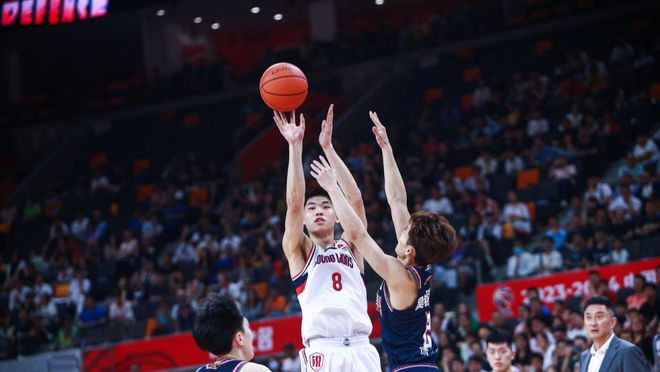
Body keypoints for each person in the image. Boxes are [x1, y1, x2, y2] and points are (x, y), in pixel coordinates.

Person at [309, 111, 458, 371]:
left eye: (404, 232)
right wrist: (386, 149)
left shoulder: (400, 275)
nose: (400, 229)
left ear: (409, 249)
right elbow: (397, 200)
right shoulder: (418, 261)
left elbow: (357, 234)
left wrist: (332, 188)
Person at [273, 106, 380, 371]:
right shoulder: (299, 249)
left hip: (361, 347)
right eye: (313, 208)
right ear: (305, 221)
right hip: (323, 351)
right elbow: (294, 204)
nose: (318, 210)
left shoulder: (352, 243)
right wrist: (295, 146)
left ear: (337, 216)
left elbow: (355, 200)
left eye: (325, 206)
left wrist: (329, 149)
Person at [192, 296, 270, 372]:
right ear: (239, 338)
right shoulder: (255, 370)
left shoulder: (200, 370)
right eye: (248, 327)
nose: (252, 335)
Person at [579, 296, 650, 372]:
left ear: (612, 322)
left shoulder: (628, 351)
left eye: (599, 317)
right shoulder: (584, 357)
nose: (593, 323)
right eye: (588, 317)